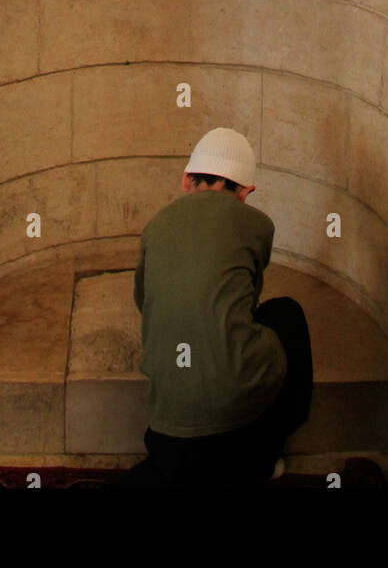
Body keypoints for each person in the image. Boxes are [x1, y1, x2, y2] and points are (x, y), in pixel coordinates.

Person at [120, 127, 313, 488]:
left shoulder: (155, 225)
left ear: (186, 180)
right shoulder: (258, 224)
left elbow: (143, 300)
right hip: (234, 422)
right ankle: (264, 454)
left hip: (165, 428)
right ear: (245, 192)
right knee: (286, 314)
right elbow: (249, 301)